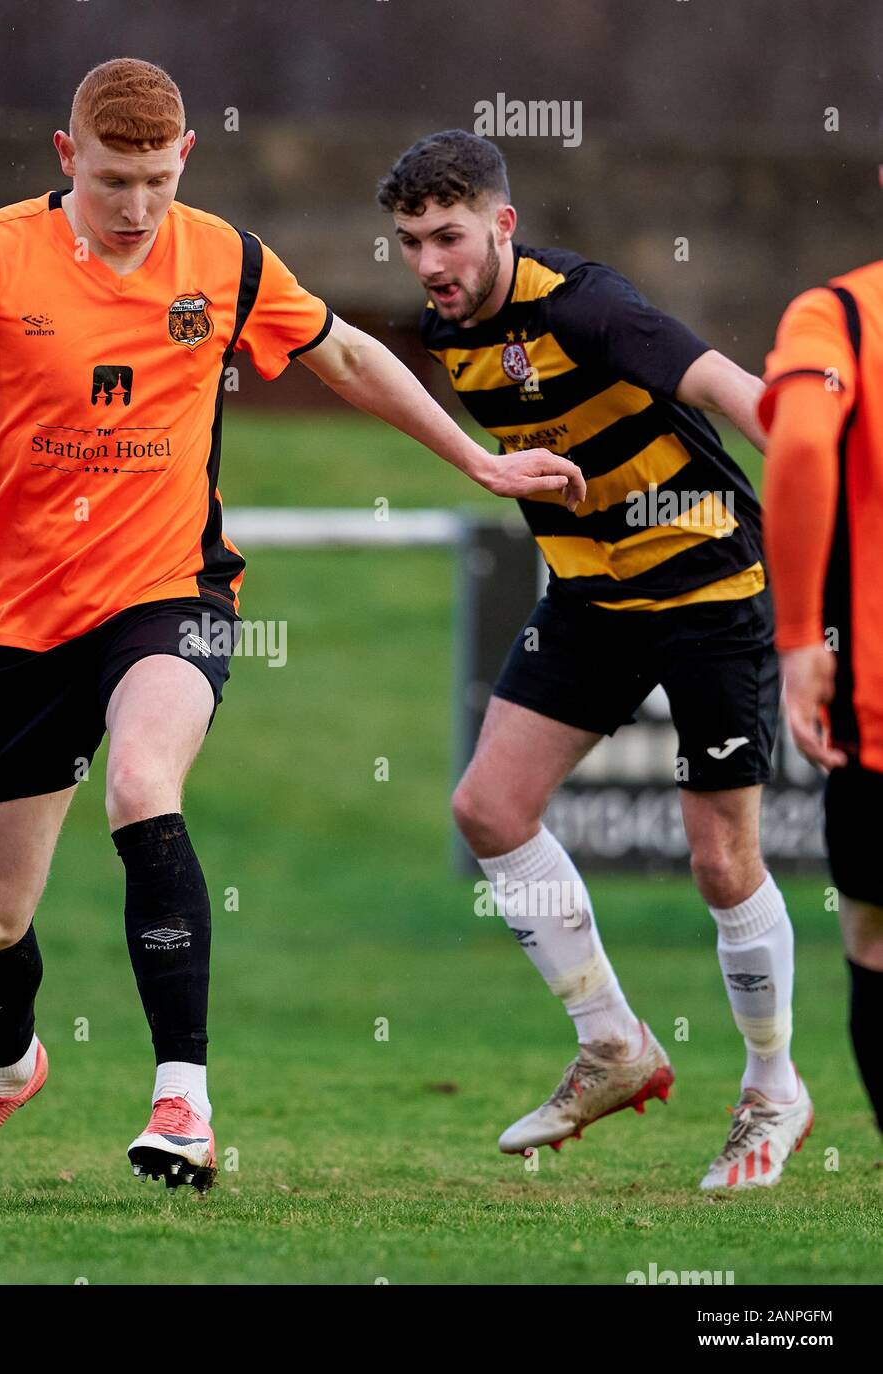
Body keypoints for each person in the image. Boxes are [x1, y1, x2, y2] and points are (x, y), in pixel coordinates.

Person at [0, 62, 582, 1197]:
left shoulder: (226, 259)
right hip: (28, 619)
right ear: (66, 159)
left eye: (156, 178)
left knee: (143, 783)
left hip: (173, 595)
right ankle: (7, 1074)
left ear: (186, 156)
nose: (137, 206)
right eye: (112, 180)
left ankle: (182, 1102)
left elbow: (345, 352)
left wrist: (478, 459)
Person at [380, 128, 812, 1189]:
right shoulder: (445, 333)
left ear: (502, 223)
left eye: (448, 235)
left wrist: (834, 498)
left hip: (709, 586)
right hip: (593, 598)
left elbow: (732, 391)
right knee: (488, 808)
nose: (431, 262)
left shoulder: (586, 304)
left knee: (720, 860)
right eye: (408, 242)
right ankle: (616, 1047)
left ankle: (772, 1088)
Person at [760, 255, 883, 1138]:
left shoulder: (840, 312)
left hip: (876, 698)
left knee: (874, 934)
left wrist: (802, 636)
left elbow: (802, 443)